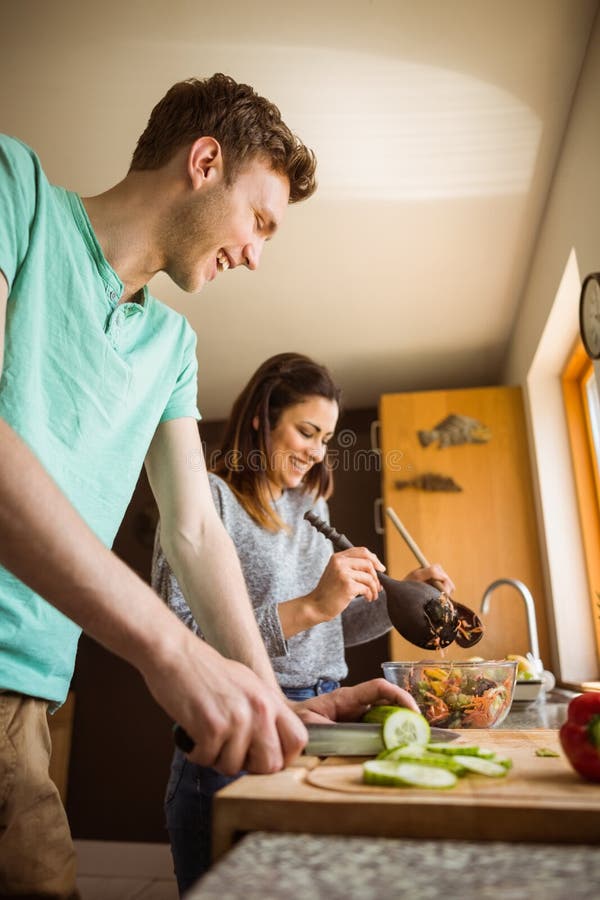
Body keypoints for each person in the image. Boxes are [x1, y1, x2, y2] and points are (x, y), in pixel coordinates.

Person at [0, 76, 414, 899]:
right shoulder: (15, 192)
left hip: (29, 701)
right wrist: (170, 650)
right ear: (203, 161)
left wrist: (272, 702)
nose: (257, 254)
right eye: (260, 220)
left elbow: (194, 535)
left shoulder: (172, 346)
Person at [152, 352, 454, 892]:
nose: (317, 452)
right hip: (241, 728)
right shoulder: (207, 501)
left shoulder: (309, 505)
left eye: (326, 439)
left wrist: (395, 597)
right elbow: (183, 643)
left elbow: (328, 629)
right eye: (306, 431)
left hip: (327, 724)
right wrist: (312, 604)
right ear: (261, 419)